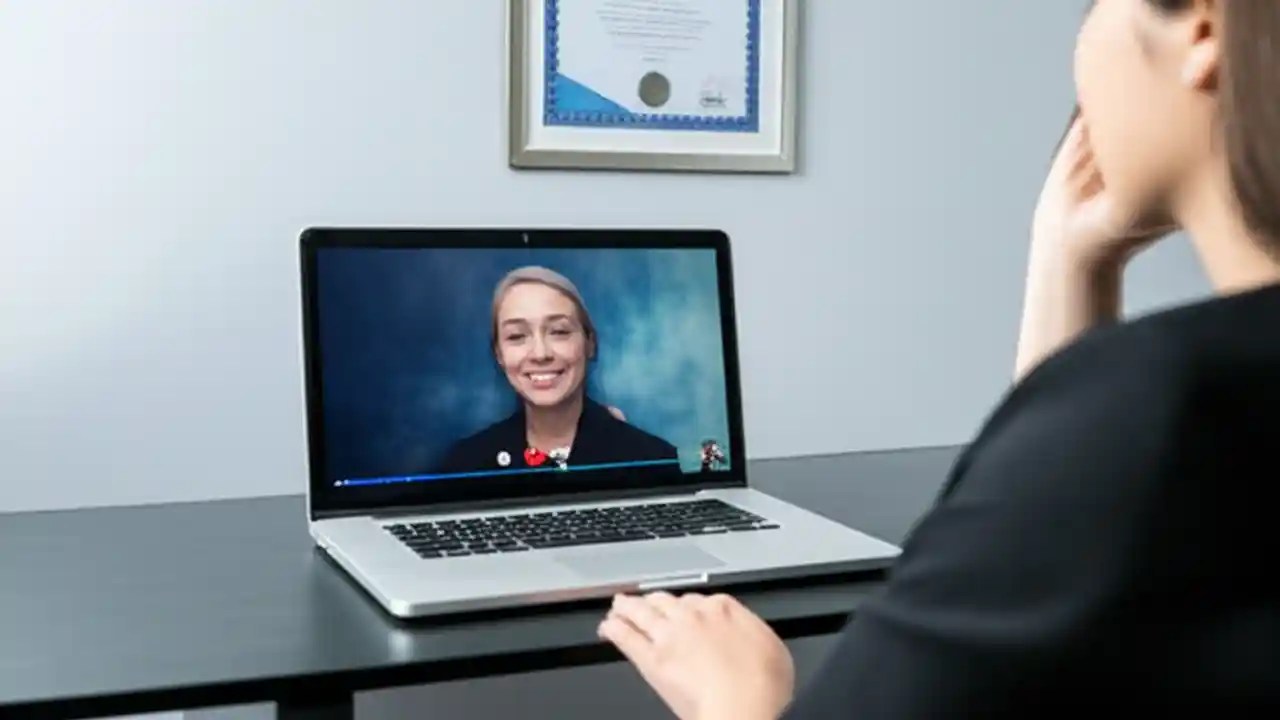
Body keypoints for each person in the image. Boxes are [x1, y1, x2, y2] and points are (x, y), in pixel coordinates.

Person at [594, 1, 1280, 717]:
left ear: (1202, 28)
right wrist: (1068, 257)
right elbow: (1045, 569)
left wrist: (736, 698)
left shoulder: (1155, 403)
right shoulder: (1164, 404)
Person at [435, 265, 679, 475]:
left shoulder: (653, 459)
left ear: (589, 343)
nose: (541, 354)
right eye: (517, 336)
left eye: (559, 332)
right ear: (499, 354)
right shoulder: (464, 463)